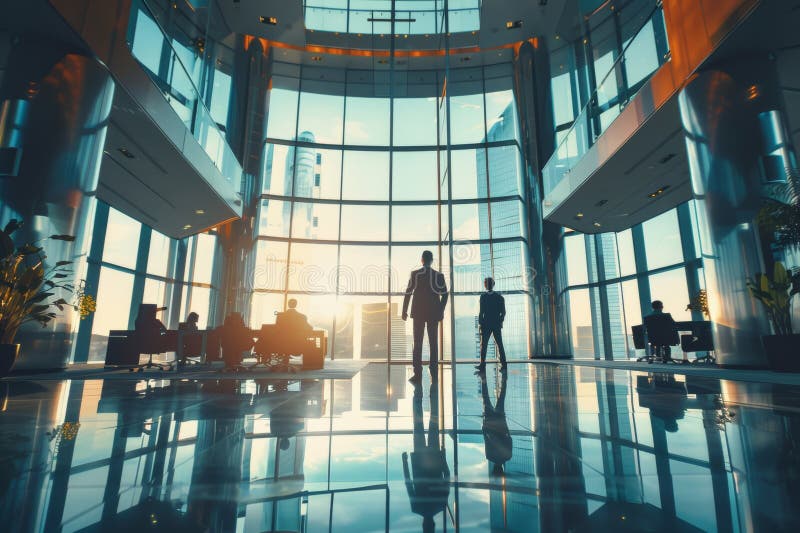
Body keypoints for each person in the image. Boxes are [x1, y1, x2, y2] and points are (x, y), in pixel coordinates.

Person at [402, 381, 450, 533]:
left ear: (434, 525)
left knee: (433, 420)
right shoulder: (417, 508)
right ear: (424, 526)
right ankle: (418, 390)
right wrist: (405, 462)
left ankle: (433, 389)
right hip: (419, 458)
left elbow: (447, 476)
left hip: (435, 457)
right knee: (418, 422)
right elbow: (408, 483)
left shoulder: (440, 506)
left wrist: (443, 457)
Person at [402, 250, 449, 382]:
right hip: (433, 314)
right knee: (433, 343)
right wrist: (440, 310)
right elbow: (445, 294)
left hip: (418, 313)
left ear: (422, 260)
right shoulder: (438, 275)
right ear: (431, 260)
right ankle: (434, 371)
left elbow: (408, 292)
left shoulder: (415, 274)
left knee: (417, 343)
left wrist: (404, 310)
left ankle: (418, 374)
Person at [481, 371, 512, 477]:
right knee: (485, 397)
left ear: (502, 469)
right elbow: (486, 438)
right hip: (490, 422)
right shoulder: (490, 456)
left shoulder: (508, 456)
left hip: (500, 422)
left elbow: (509, 438)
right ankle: (483, 378)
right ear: (494, 468)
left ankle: (504, 378)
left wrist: (504, 424)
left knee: (502, 396)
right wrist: (484, 426)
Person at [475, 277, 507, 373]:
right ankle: (504, 366)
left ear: (486, 285)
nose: (485, 285)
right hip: (496, 324)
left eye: (485, 283)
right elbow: (503, 312)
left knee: (483, 345)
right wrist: (499, 321)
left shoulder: (483, 297)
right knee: (499, 345)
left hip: (486, 324)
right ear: (493, 284)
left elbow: (481, 312)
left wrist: (480, 324)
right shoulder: (499, 297)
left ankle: (482, 365)